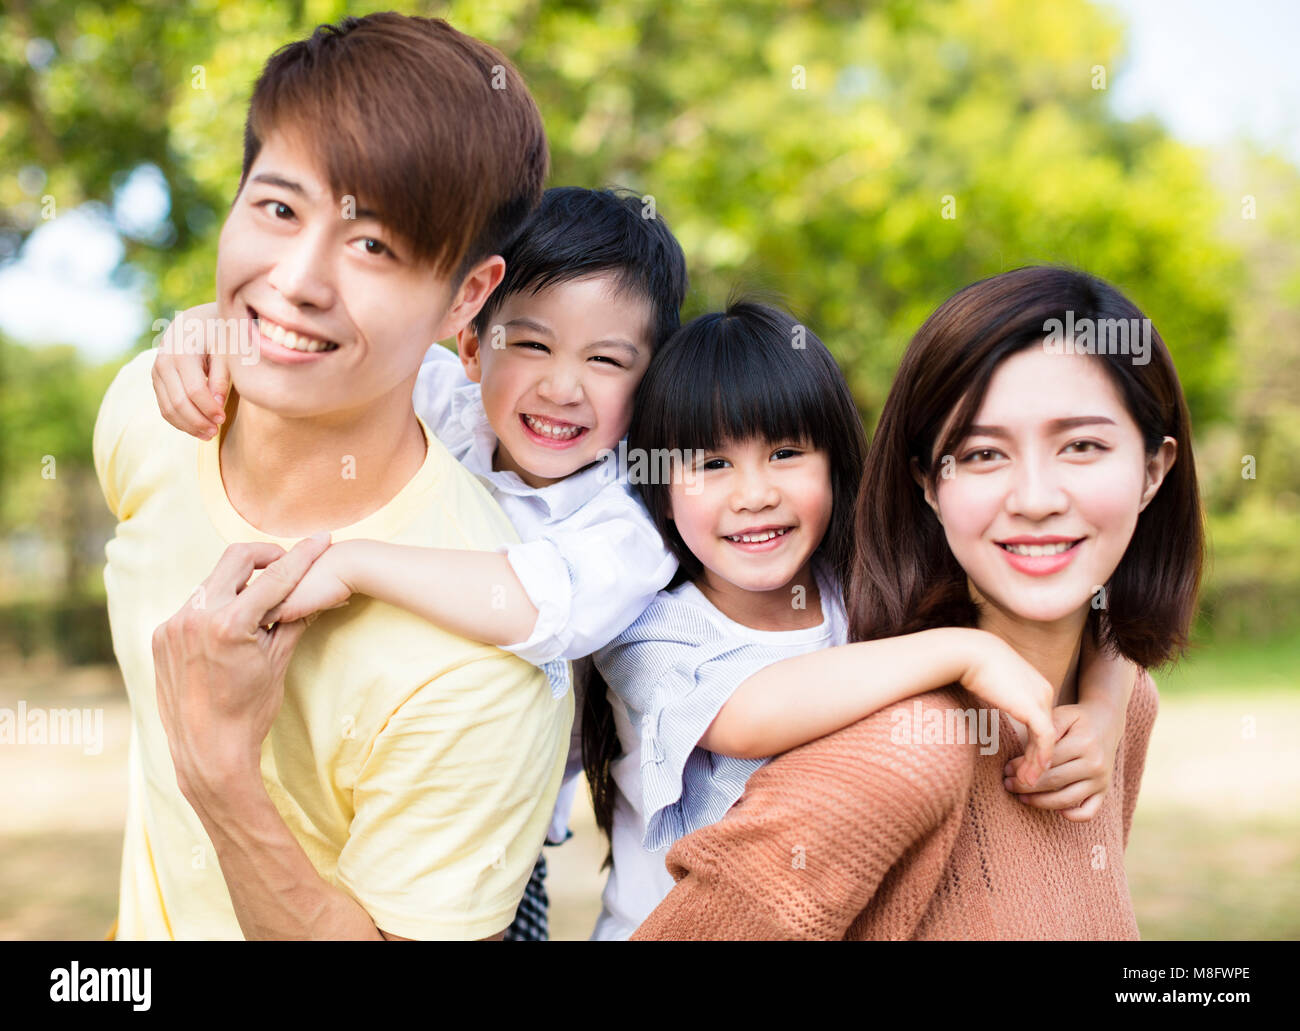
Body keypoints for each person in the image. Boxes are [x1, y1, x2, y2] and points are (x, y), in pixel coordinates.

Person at [93, 13, 570, 940]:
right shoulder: (147, 418)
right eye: (277, 209)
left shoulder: (484, 663)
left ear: (467, 297)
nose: (299, 278)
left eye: (374, 247)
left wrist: (222, 774)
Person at [148, 185, 689, 939]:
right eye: (530, 344)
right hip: (360, 778)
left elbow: (542, 606)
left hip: (492, 835)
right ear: (469, 343)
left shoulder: (635, 518)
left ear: (655, 385)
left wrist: (355, 562)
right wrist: (202, 331)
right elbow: (325, 355)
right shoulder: (441, 399)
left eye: (605, 360)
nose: (562, 387)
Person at [631, 267, 1202, 939]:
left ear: (1154, 469)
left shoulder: (1116, 710)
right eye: (985, 453)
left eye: (1082, 445)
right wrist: (969, 650)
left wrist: (1107, 704)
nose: (1037, 497)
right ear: (927, 484)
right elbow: (747, 713)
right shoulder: (906, 755)